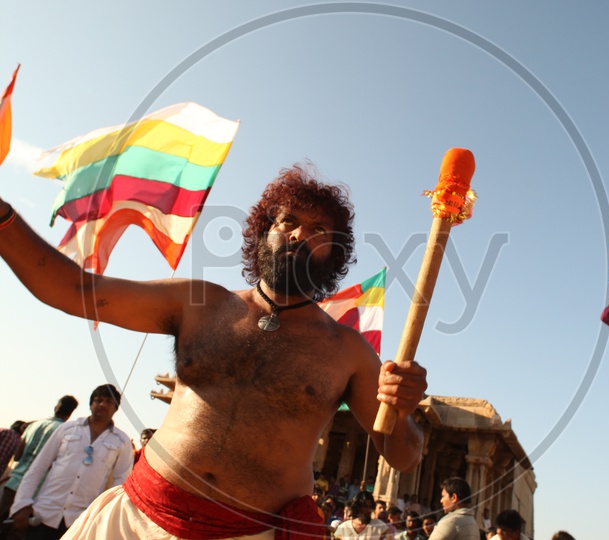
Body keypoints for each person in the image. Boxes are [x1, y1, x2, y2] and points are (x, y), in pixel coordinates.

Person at [0, 165, 428, 539]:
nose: (299, 234)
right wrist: (4, 220)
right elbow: (74, 290)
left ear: (333, 253)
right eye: (289, 221)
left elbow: (402, 455)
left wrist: (403, 412)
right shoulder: (199, 302)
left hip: (250, 534)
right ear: (265, 232)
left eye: (318, 231)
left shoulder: (347, 350)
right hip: (136, 519)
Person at [8, 385, 133, 540]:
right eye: (98, 400)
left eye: (108, 402)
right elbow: (39, 466)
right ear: (91, 404)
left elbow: (121, 483)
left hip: (81, 522)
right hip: (45, 513)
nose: (102, 404)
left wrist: (103, 518)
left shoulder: (122, 441)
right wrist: (22, 504)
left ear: (115, 408)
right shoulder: (68, 429)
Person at [0, 395, 78, 538]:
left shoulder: (33, 425)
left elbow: (17, 456)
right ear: (71, 412)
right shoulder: (65, 431)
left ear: (56, 406)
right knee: (15, 534)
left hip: (13, 484)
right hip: (32, 493)